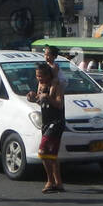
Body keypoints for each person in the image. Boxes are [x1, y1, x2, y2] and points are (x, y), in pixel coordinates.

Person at [27, 61, 66, 193]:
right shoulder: (40, 85)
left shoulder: (56, 86)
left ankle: (49, 181)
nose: (39, 79)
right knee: (52, 155)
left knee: (42, 152)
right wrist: (34, 98)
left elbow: (59, 104)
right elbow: (40, 101)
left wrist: (48, 98)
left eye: (41, 76)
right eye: (37, 76)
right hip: (46, 122)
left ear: (48, 75)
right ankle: (58, 183)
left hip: (56, 122)